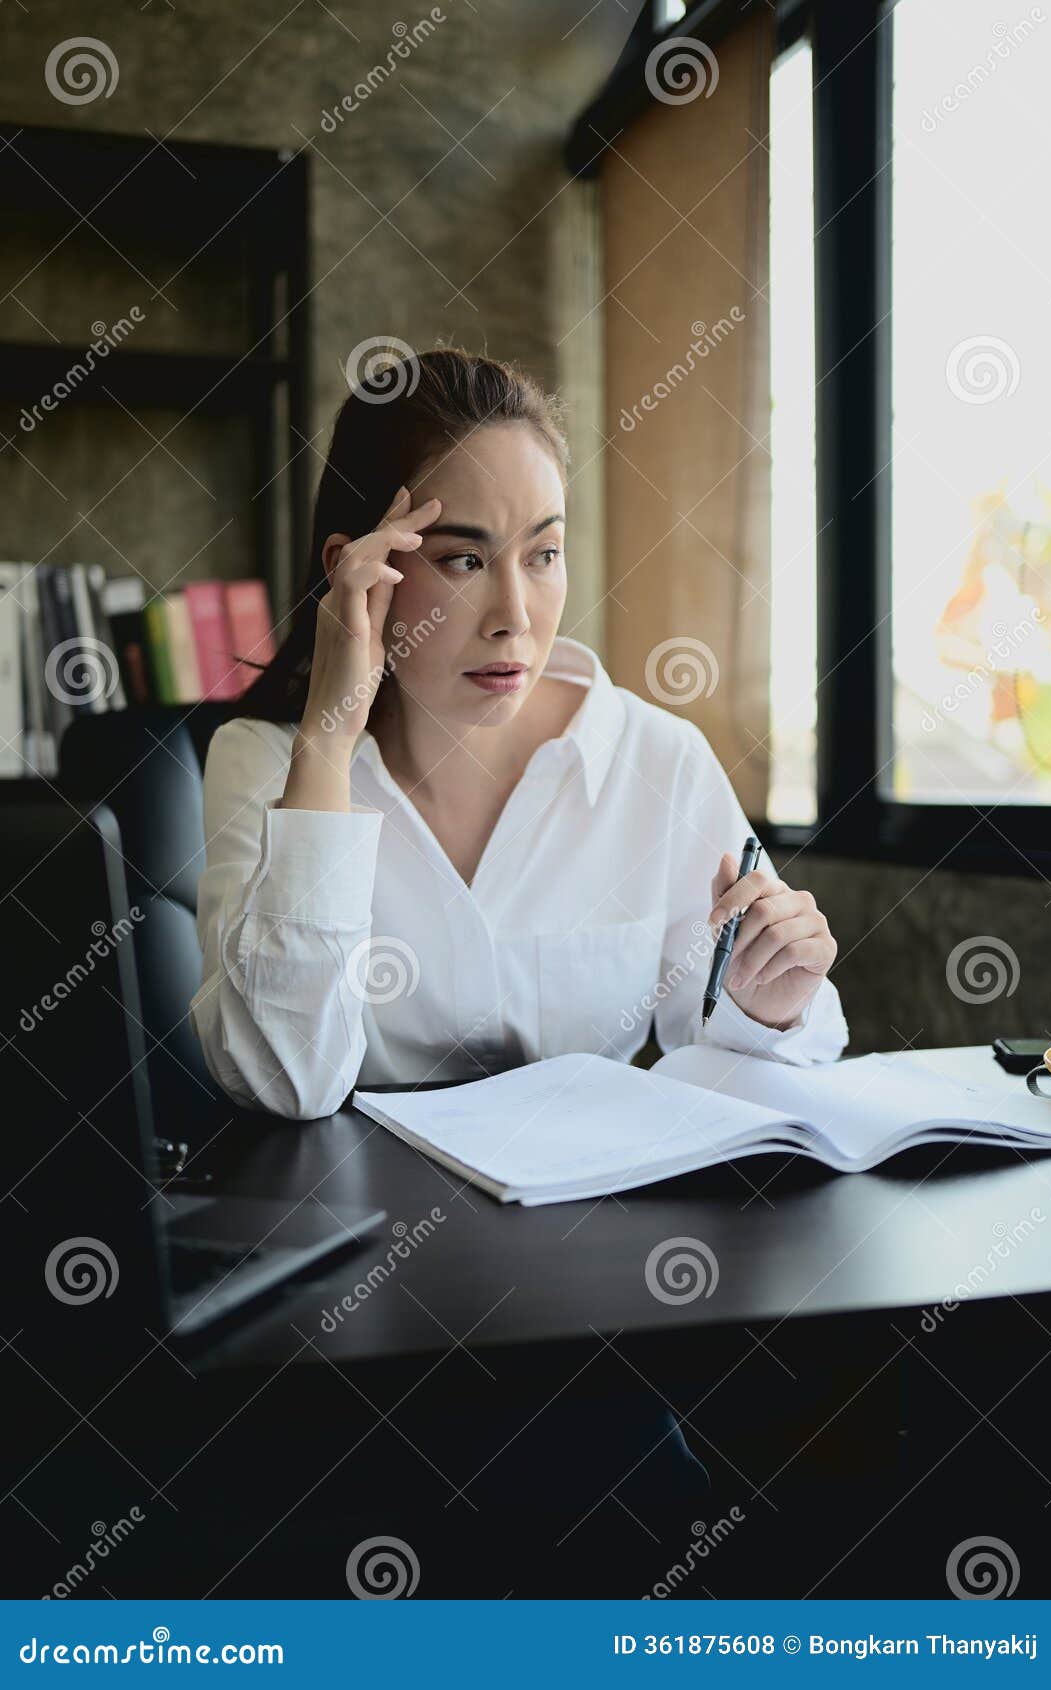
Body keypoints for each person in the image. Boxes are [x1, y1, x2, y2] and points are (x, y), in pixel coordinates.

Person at [189, 345, 849, 1592]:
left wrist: (764, 1002)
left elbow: (743, 1044)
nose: (515, 614)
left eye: (543, 553)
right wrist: (329, 733)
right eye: (461, 558)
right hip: (368, 1314)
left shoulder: (655, 762)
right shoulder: (264, 763)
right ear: (360, 566)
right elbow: (283, 1076)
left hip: (613, 1291)